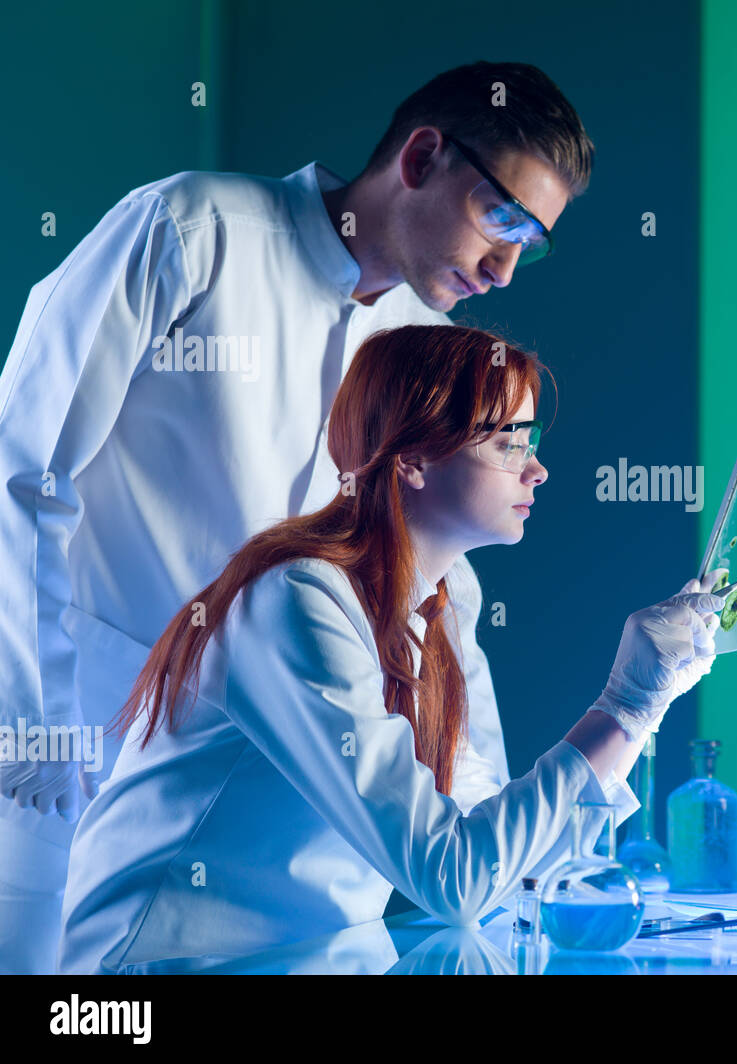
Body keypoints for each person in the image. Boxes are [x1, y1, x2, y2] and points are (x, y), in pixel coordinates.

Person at [0, 60, 588, 973]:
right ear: (423, 155)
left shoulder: (418, 349)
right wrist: (31, 731)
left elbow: (439, 588)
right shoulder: (193, 233)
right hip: (68, 771)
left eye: (534, 242)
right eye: (503, 217)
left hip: (266, 838)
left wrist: (490, 821)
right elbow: (23, 470)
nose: (506, 268)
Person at [58, 324, 723, 974]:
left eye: (533, 441)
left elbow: (520, 862)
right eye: (508, 444)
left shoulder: (430, 610)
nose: (538, 470)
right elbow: (456, 880)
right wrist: (624, 704)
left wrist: (650, 702)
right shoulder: (297, 600)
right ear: (412, 461)